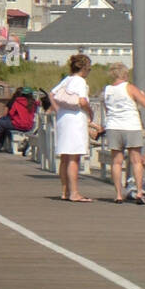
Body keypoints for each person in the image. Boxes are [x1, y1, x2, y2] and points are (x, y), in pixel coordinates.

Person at [102, 63, 145, 204]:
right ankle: (139, 192)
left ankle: (118, 194)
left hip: (113, 126)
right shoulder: (129, 87)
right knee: (136, 160)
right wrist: (141, 95)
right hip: (131, 126)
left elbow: (107, 108)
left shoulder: (107, 90)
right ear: (124, 74)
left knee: (116, 162)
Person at [50, 53, 93, 203]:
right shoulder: (80, 81)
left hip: (63, 119)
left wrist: (58, 110)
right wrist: (90, 111)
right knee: (74, 157)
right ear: (85, 68)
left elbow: (52, 94)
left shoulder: (67, 80)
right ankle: (74, 193)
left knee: (65, 157)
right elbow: (82, 101)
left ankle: (65, 191)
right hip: (75, 120)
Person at [0, 85, 48, 154]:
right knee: (3, 124)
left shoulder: (17, 101)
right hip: (29, 126)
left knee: (1, 123)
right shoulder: (34, 103)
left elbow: (11, 114)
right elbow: (41, 104)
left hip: (18, 124)